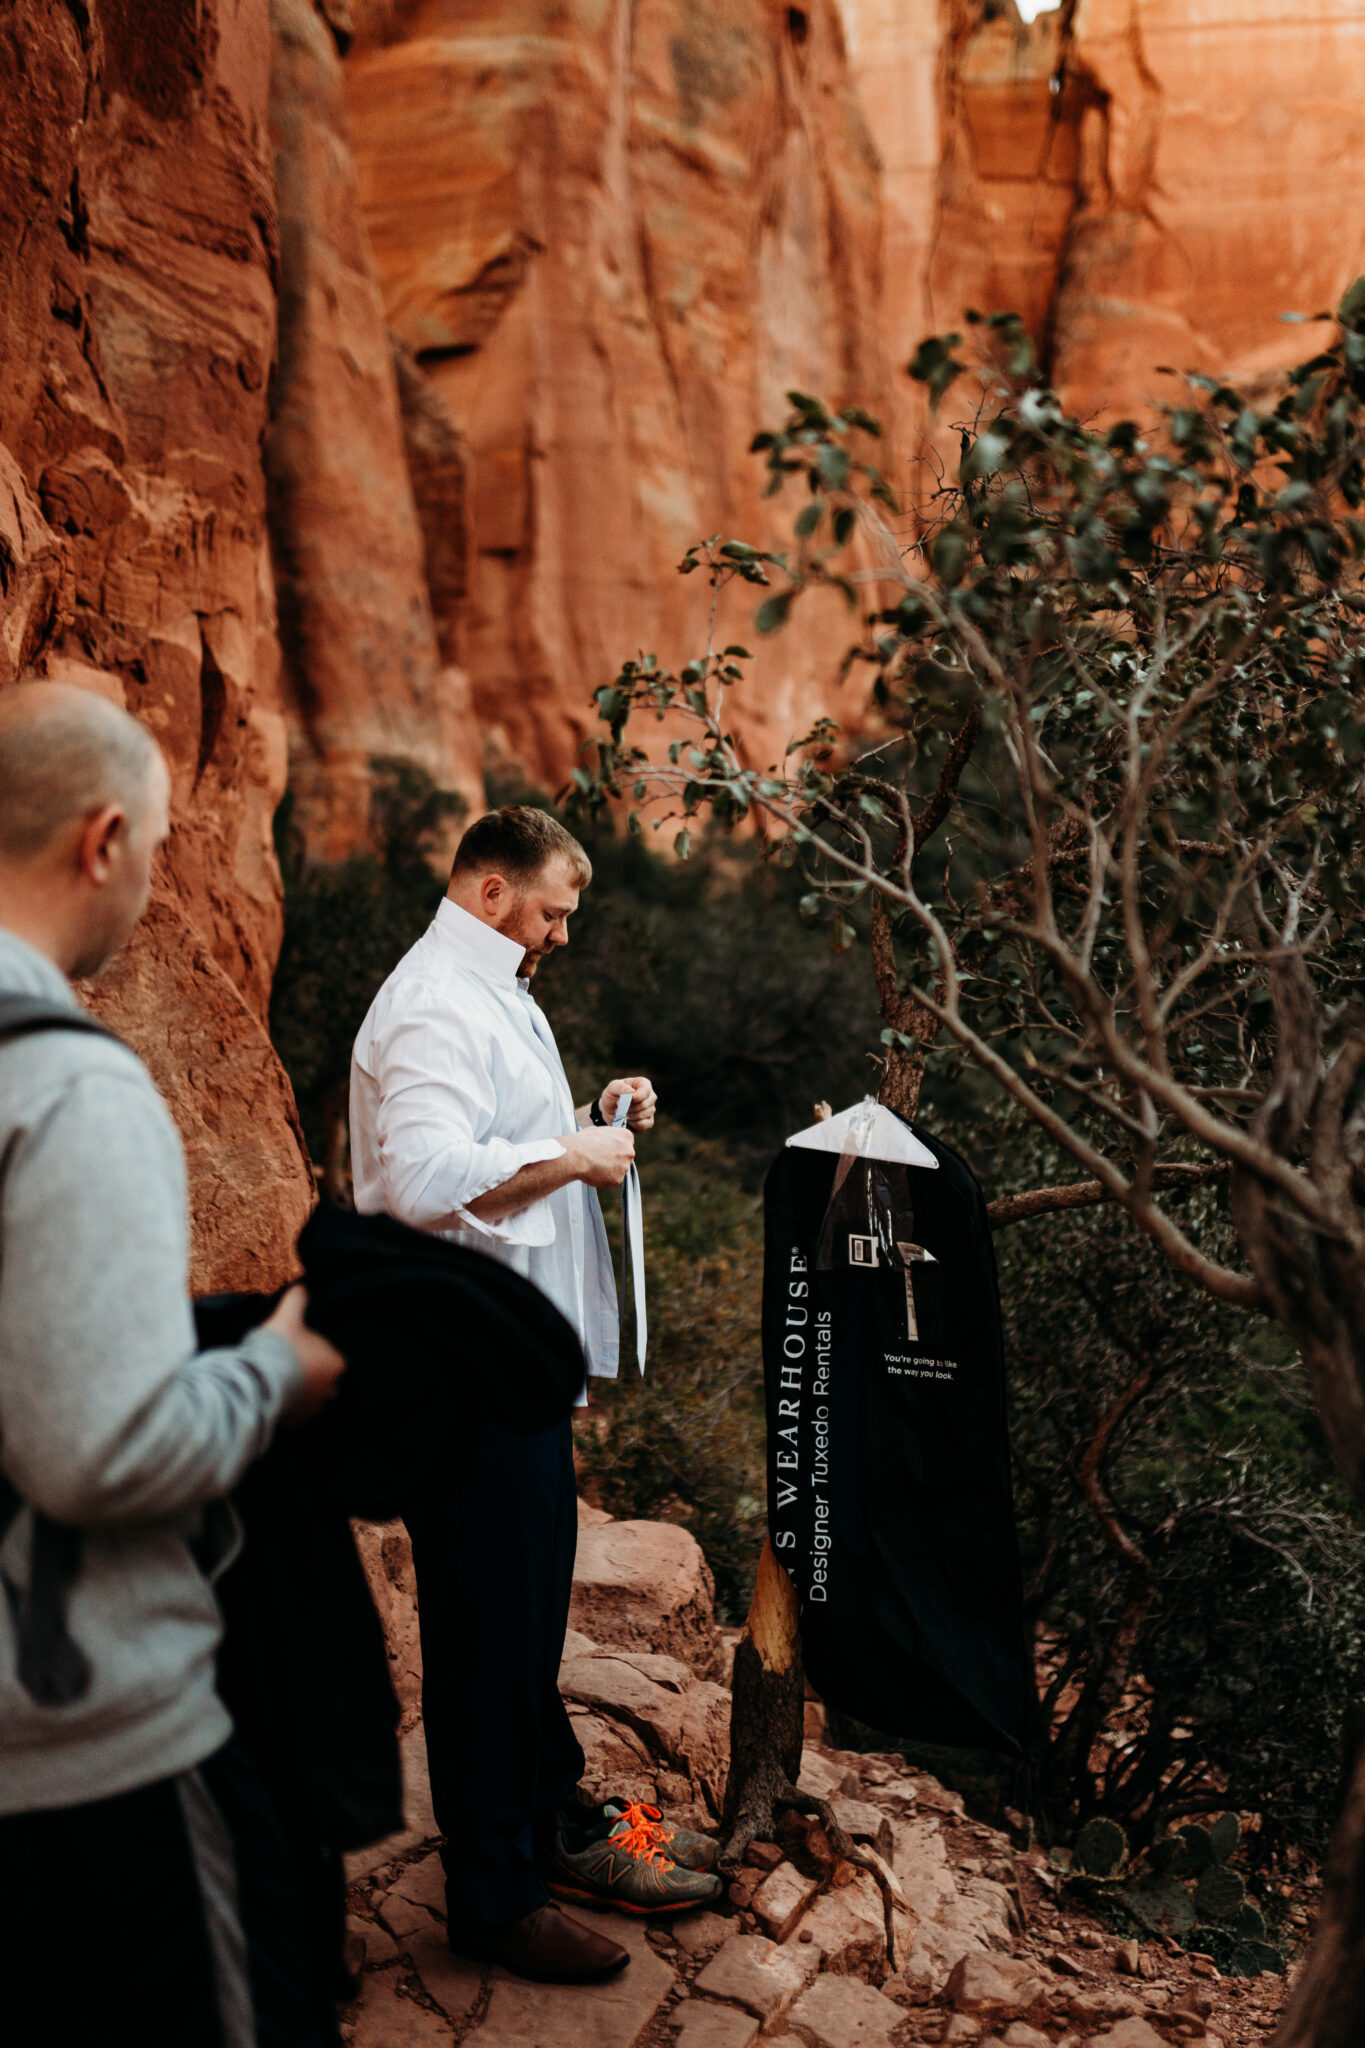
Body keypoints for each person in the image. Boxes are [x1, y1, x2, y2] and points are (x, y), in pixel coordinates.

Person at [0, 681, 347, 2047]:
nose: (151, 882)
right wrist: (278, 1368)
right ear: (99, 842)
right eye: (152, 847)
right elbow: (98, 1448)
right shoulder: (71, 1088)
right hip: (85, 1757)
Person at [350, 805, 721, 1985]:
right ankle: (493, 1896)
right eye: (554, 907)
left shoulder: (492, 986)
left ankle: (554, 1819)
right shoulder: (431, 1003)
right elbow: (417, 1178)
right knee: (480, 1631)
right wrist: (571, 1158)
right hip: (457, 1372)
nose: (563, 929)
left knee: (518, 1616)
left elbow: (486, 1147)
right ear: (495, 889)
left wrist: (584, 1120)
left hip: (504, 1358)